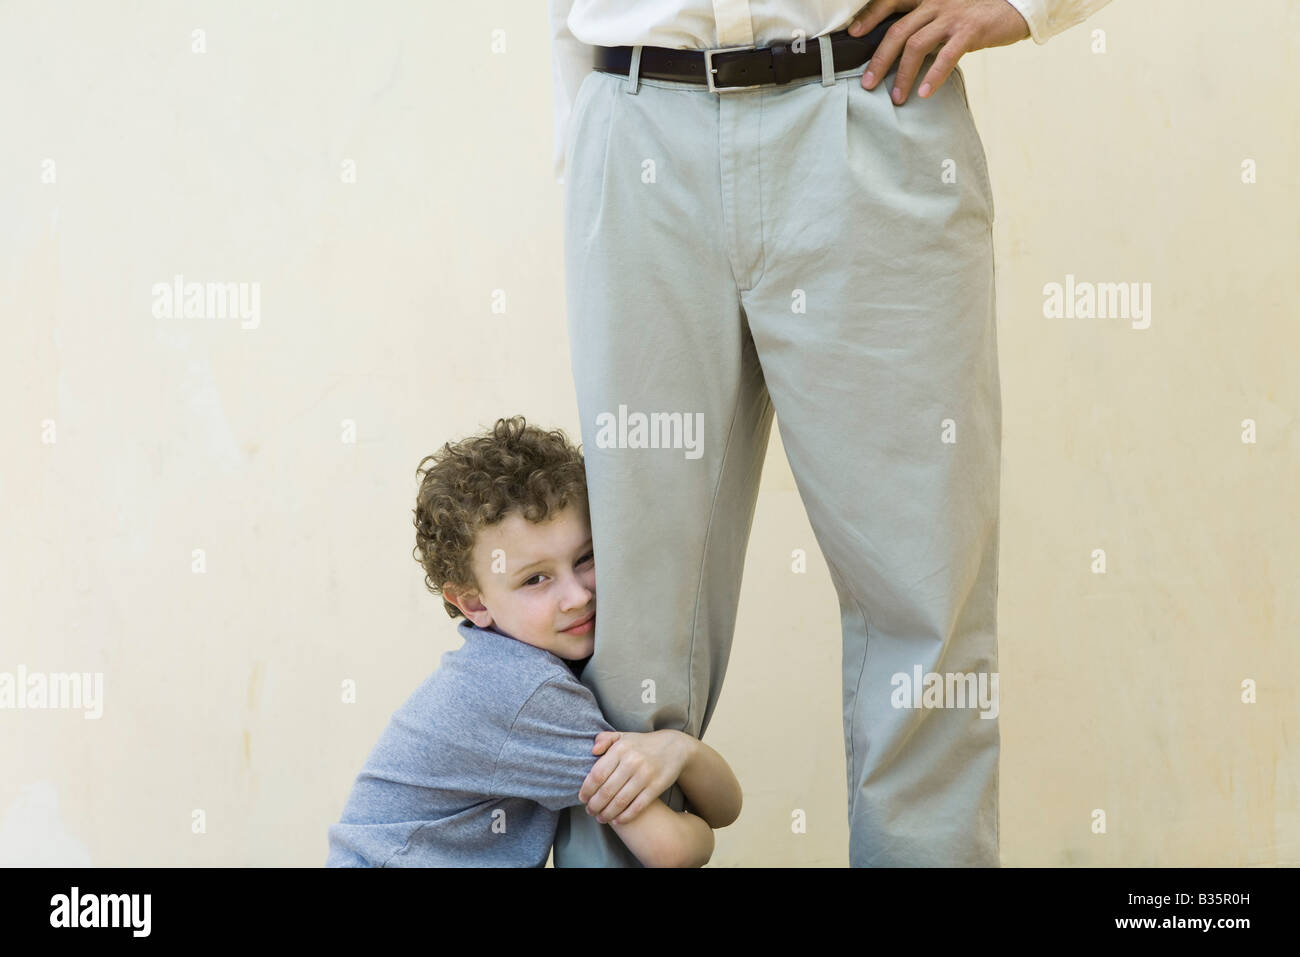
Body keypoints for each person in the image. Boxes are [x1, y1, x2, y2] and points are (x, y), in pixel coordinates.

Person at [547, 0, 1113, 867]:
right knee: (625, 617)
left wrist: (1028, 7)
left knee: (925, 598)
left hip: (868, 104)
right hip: (636, 123)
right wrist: (585, 138)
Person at [326, 416, 743, 867]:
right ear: (474, 604)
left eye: (585, 558)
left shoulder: (502, 665)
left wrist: (680, 749)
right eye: (536, 579)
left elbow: (725, 810)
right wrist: (682, 760)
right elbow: (676, 852)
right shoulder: (525, 693)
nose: (577, 596)